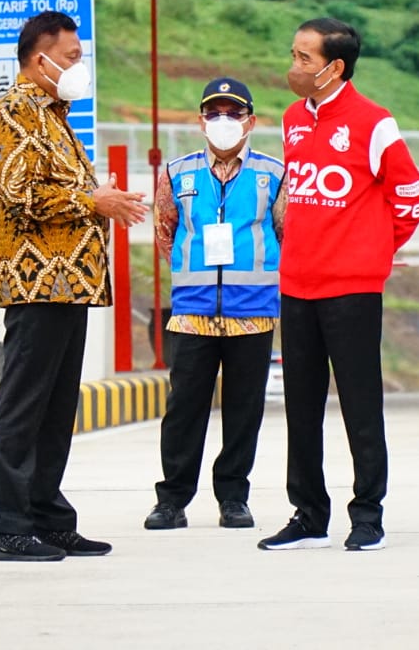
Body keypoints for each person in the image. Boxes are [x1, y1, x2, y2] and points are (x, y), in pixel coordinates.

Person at [0, 10, 148, 563]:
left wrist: (101, 198)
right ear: (39, 58)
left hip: (70, 284)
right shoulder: (13, 112)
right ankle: (7, 525)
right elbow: (17, 193)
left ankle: (47, 518)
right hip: (36, 285)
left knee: (56, 410)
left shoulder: (56, 116)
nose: (80, 67)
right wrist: (92, 200)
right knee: (24, 406)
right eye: (73, 57)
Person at [258, 17, 419, 553]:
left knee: (359, 403)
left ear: (335, 67)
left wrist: (372, 250)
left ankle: (368, 515)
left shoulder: (374, 123)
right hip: (297, 285)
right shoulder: (291, 120)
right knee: (301, 406)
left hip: (352, 289)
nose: (294, 66)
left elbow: (412, 199)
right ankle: (308, 513)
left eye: (305, 58)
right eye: (293, 53)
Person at [144, 78, 285, 532]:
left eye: (233, 113)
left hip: (253, 311)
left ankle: (234, 497)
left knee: (244, 411)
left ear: (251, 121)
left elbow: (287, 234)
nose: (223, 122)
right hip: (192, 312)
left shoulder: (274, 174)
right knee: (184, 409)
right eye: (214, 113)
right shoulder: (177, 173)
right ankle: (172, 500)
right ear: (201, 121)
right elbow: (166, 232)